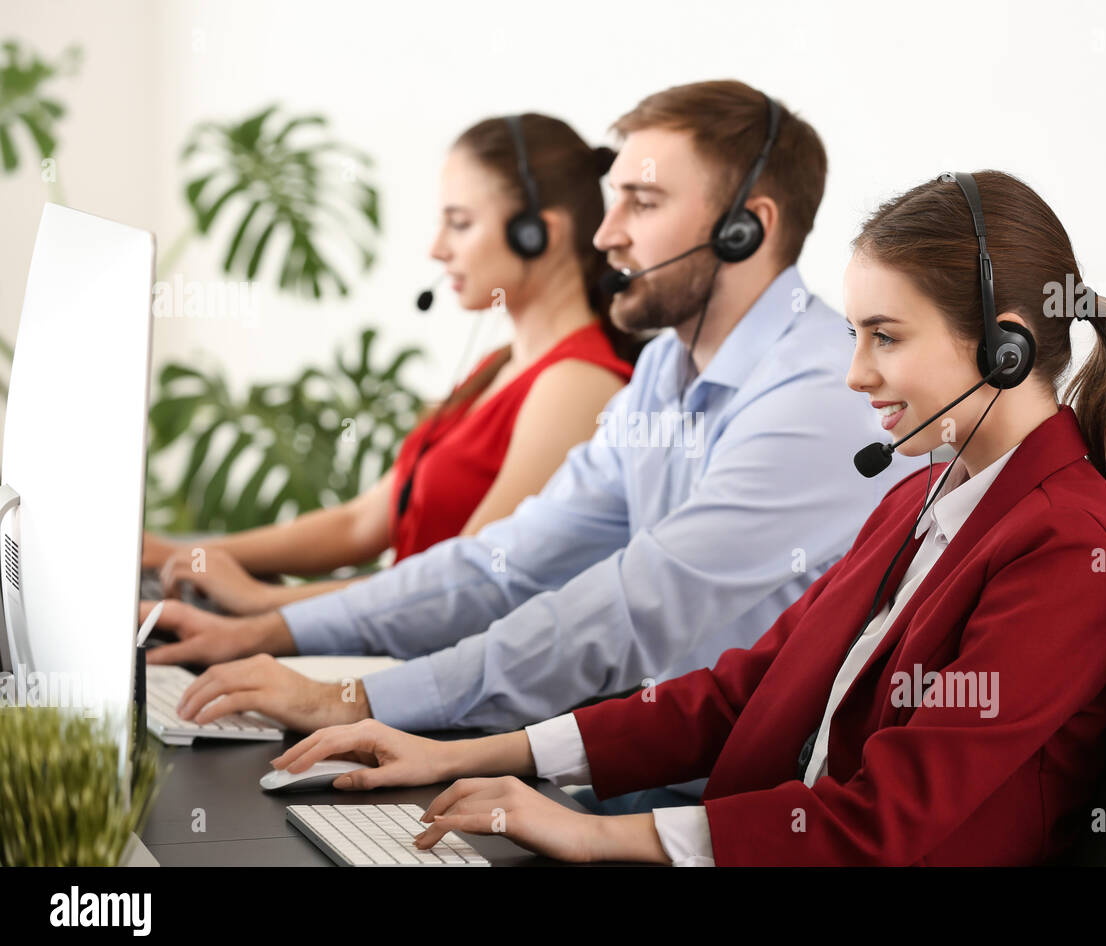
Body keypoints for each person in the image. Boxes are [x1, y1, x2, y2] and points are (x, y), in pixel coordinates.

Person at [267, 169, 1106, 865]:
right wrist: (471, 754)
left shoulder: (1060, 545)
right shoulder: (925, 493)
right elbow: (743, 688)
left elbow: (884, 823)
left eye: (884, 337)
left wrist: (594, 837)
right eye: (854, 333)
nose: (854, 374)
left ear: (1005, 346)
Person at [142, 81, 913, 814]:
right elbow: (506, 560)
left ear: (748, 227)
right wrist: (275, 634)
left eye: (642, 203)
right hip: (637, 773)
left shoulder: (822, 391)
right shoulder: (661, 373)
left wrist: (353, 699)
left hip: (742, 810)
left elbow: (632, 607)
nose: (607, 234)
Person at [143, 113, 636, 615]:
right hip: (392, 640)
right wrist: (189, 555)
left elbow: (466, 586)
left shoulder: (575, 385)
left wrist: (269, 604)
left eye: (460, 223)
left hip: (426, 661)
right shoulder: (500, 365)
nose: (437, 248)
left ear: (537, 233)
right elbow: (361, 522)